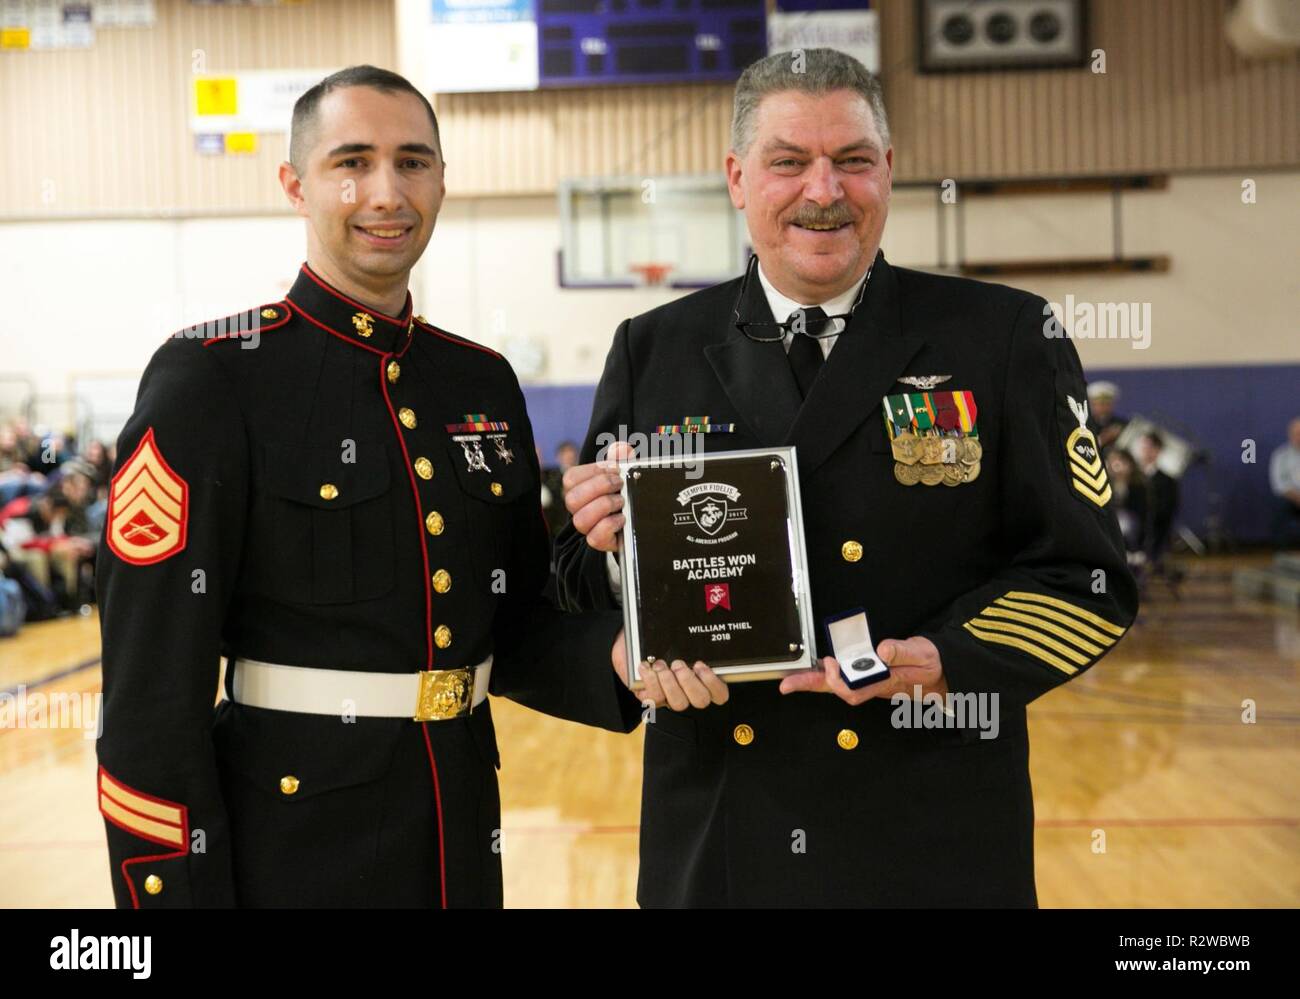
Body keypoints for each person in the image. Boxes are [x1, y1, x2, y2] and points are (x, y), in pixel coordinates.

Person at [556, 48, 1139, 907]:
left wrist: (946, 660)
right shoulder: (654, 347)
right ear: (737, 178)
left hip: (932, 828)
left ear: (889, 169)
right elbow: (576, 585)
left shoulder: (1004, 336)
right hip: (723, 834)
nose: (823, 191)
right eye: (788, 161)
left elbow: (1086, 579)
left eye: (853, 160)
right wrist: (614, 553)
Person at [94, 65, 634, 909]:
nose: (387, 192)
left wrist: (625, 656)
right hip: (292, 855)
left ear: (443, 182)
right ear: (295, 185)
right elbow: (149, 702)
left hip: (458, 839)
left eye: (414, 162)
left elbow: (516, 626)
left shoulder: (480, 383)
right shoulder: (212, 377)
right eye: (352, 162)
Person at [1269, 417, 1300, 550]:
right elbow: (1279, 484)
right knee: (1279, 506)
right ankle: (1281, 553)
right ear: (1290, 435)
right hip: (1290, 499)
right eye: (1297, 434)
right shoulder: (1281, 455)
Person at [1086, 381, 1126, 453]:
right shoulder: (1085, 425)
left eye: (1107, 404)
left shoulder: (1121, 424)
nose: (1103, 408)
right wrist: (1104, 438)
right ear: (1092, 405)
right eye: (1099, 404)